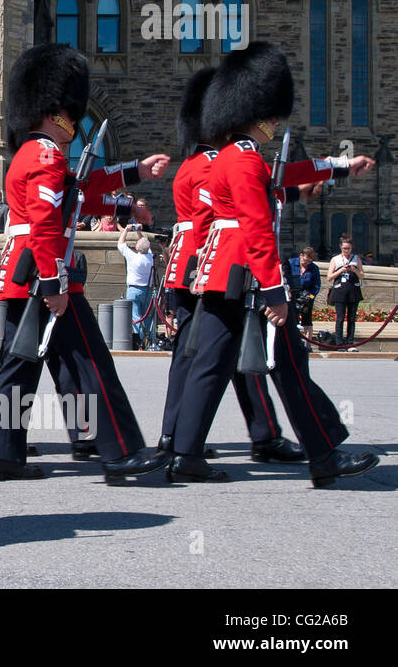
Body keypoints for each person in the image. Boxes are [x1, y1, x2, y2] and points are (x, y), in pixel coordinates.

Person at [170, 42, 379, 486]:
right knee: (290, 364)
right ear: (257, 111)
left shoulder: (233, 156)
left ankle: (184, 452)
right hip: (245, 274)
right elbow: (258, 229)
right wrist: (273, 291)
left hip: (222, 273)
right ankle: (323, 456)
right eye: (272, 115)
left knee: (211, 363)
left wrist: (340, 167)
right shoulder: (244, 159)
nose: (276, 123)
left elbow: (284, 178)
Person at [0, 42, 172, 483]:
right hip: (42, 275)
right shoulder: (46, 154)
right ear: (53, 112)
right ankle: (121, 452)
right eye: (70, 115)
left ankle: (3, 454)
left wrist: (135, 173)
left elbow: (81, 189)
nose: (75, 122)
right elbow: (48, 223)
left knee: (18, 366)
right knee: (91, 360)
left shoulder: (34, 153)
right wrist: (54, 284)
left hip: (25, 275)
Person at [157, 67, 301, 465]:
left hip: (194, 264)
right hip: (214, 264)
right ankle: (240, 435)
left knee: (205, 354)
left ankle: (182, 434)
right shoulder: (213, 163)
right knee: (222, 354)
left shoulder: (198, 162)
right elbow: (223, 220)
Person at [117, 225, 156, 349]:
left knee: (136, 317)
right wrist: (139, 232)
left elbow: (121, 244)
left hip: (133, 289)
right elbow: (146, 245)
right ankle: (150, 339)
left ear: (137, 248)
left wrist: (126, 230)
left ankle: (139, 341)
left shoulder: (133, 257)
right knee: (147, 316)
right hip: (147, 290)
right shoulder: (150, 258)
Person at [327, 235, 364, 349]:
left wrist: (355, 270)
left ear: (352, 247)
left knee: (352, 318)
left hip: (353, 291)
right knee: (340, 318)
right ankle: (339, 342)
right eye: (344, 248)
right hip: (340, 291)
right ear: (340, 247)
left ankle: (350, 342)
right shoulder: (335, 259)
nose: (346, 251)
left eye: (348, 248)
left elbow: (362, 276)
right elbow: (329, 277)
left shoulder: (356, 258)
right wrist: (341, 270)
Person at [291, 246, 320, 338]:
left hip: (307, 297)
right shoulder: (290, 263)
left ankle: (308, 344)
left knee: (307, 321)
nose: (307, 263)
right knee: (292, 320)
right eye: (305, 260)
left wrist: (310, 297)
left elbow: (316, 285)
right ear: (301, 255)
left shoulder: (314, 268)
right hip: (292, 296)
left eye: (309, 261)